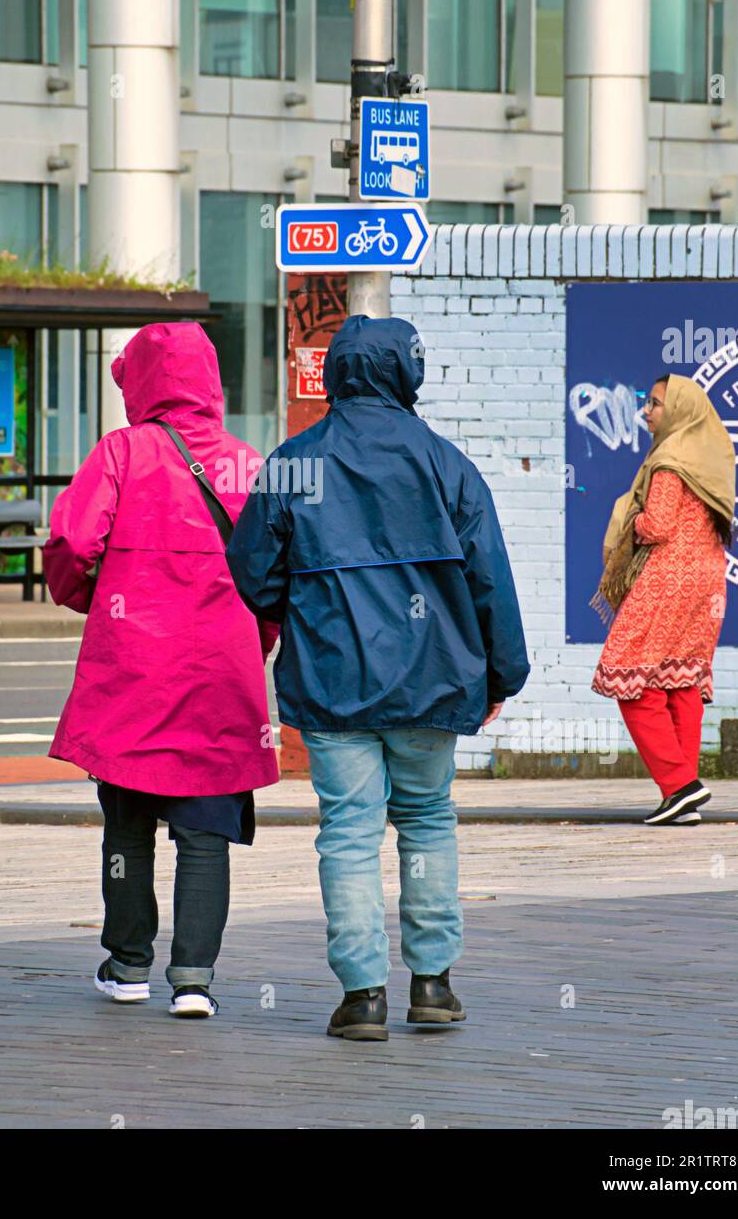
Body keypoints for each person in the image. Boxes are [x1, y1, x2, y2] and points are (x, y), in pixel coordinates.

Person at [226, 315, 529, 1042]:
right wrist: (501, 676)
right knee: (426, 821)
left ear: (334, 375)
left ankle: (362, 995)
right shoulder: (445, 464)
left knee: (349, 832)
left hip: (333, 681)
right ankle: (432, 981)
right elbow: (490, 578)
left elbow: (250, 572)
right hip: (433, 678)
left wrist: (305, 611)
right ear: (407, 371)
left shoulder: (295, 462)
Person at [43, 321, 279, 1019]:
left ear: (140, 383)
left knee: (127, 825)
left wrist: (88, 597)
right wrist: (256, 635)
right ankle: (195, 978)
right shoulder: (245, 462)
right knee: (205, 832)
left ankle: (127, 963)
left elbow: (69, 539)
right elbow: (272, 571)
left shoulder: (122, 451)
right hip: (219, 672)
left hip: (132, 667)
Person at [590, 373, 736, 827]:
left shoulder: (670, 461)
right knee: (679, 680)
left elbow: (656, 526)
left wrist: (629, 520)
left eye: (654, 404)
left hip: (668, 577)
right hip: (708, 580)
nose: (647, 412)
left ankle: (679, 785)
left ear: (678, 410)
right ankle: (683, 796)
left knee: (624, 672)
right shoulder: (709, 455)